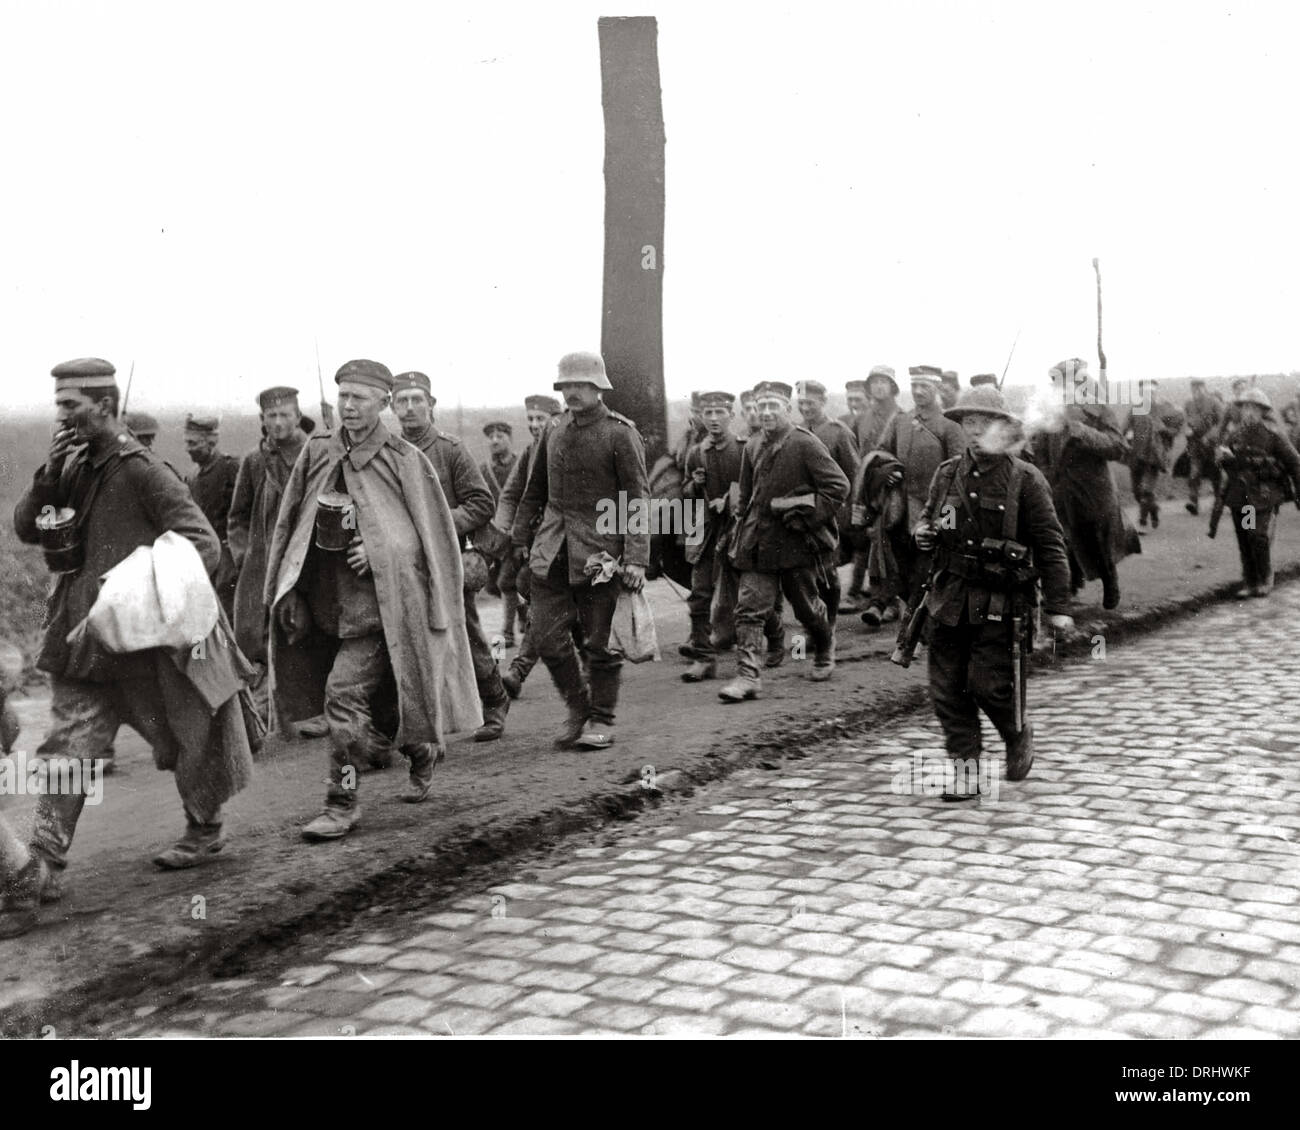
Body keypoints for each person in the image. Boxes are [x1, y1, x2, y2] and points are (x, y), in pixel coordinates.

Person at [4, 358, 257, 938]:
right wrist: (48, 474)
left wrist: (136, 592)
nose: (61, 415)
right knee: (69, 748)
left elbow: (203, 545)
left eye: (71, 406)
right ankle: (42, 864)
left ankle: (204, 824)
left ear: (103, 405)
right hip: (79, 640)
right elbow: (26, 527)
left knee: (181, 737)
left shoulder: (143, 470)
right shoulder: (69, 466)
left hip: (143, 647)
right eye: (58, 404)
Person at [264, 360, 481, 842]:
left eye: (359, 398)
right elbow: (290, 526)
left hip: (381, 610)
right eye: (342, 397)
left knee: (342, 700)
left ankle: (341, 804)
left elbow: (427, 538)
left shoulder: (405, 459)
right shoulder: (317, 451)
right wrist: (291, 591)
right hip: (327, 607)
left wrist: (378, 548)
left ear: (383, 404)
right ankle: (419, 746)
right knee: (383, 708)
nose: (347, 407)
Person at [913, 385, 1073, 801]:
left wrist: (1058, 607)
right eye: (968, 422)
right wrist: (924, 534)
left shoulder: (1026, 479)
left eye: (985, 422)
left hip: (1003, 602)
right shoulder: (947, 474)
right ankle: (967, 773)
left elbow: (1051, 544)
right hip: (949, 597)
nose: (975, 430)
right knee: (947, 690)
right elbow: (931, 518)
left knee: (987, 685)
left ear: (1004, 428)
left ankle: (1016, 731)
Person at [511, 351, 651, 749]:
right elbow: (533, 490)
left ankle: (602, 720)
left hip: (600, 554)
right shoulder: (553, 428)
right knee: (547, 638)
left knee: (599, 642)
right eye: (566, 386)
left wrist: (637, 559)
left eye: (580, 385)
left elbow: (637, 499)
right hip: (551, 548)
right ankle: (578, 707)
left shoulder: (620, 432)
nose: (572, 392)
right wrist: (520, 540)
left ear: (598, 387)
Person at [390, 372, 511, 742]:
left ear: (431, 405)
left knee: (466, 634)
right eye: (402, 401)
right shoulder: (388, 452)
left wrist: (437, 525)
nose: (410, 408)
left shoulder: (450, 449)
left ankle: (494, 702)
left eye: (417, 400)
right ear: (392, 407)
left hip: (446, 559)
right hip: (403, 562)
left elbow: (481, 503)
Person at [718, 380, 849, 702]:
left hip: (795, 543)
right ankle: (748, 676)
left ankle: (824, 644)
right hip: (758, 541)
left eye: (773, 406)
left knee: (807, 610)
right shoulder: (752, 445)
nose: (766, 413)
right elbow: (746, 495)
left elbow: (838, 486)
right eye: (761, 407)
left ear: (787, 410)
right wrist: (739, 527)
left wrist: (805, 514)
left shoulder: (804, 443)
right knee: (748, 609)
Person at [680, 391, 785, 681]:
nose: (713, 419)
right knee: (699, 594)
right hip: (707, 531)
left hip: (739, 528)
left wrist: (727, 500)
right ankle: (703, 658)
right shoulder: (696, 451)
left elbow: (755, 488)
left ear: (731, 416)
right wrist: (694, 485)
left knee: (748, 595)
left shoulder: (745, 448)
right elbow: (687, 490)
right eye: (708, 413)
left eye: (719, 413)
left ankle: (776, 635)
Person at [228, 386, 312, 727]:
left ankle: (307, 710)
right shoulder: (254, 460)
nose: (278, 422)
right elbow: (237, 516)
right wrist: (246, 557)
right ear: (263, 420)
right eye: (271, 416)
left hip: (305, 559)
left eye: (284, 415)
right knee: (257, 639)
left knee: (304, 632)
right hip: (261, 564)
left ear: (297, 416)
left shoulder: (314, 452)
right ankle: (261, 718)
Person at [1028, 358, 1132, 609]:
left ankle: (1109, 579)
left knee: (1095, 539)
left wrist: (1083, 432)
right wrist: (1043, 473)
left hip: (1092, 489)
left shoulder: (1098, 410)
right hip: (1058, 486)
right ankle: (1064, 593)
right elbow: (1039, 448)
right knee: (1059, 539)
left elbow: (1118, 447)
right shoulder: (1048, 412)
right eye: (1058, 382)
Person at [868, 365, 964, 625]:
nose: (919, 391)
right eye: (915, 386)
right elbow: (880, 454)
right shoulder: (900, 421)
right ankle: (915, 623)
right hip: (901, 509)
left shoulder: (950, 425)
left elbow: (959, 473)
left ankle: (928, 625)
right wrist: (887, 472)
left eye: (925, 386)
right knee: (902, 567)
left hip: (938, 508)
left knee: (934, 568)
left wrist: (947, 519)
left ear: (937, 388)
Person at [496, 394, 571, 698]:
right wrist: (508, 533)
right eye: (530, 419)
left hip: (582, 543)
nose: (535, 425)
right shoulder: (529, 454)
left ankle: (593, 667)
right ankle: (516, 670)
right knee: (543, 604)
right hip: (546, 543)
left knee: (572, 611)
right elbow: (513, 495)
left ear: (558, 418)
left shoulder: (574, 447)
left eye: (541, 419)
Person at [1213, 387, 1300, 598]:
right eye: (1245, 407)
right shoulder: (1235, 435)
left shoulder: (1273, 435)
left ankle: (1264, 578)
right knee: (1245, 537)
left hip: (1261, 495)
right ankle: (1250, 582)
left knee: (1256, 536)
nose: (1248, 412)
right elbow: (1223, 462)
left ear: (1263, 411)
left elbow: (1294, 463)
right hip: (1241, 494)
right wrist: (1223, 458)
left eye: (1254, 408)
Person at [796, 379, 859, 624]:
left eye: (810, 403)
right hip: (803, 513)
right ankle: (815, 625)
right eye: (801, 403)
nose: (805, 408)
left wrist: (851, 514)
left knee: (825, 572)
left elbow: (854, 475)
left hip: (832, 513)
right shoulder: (796, 431)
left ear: (823, 402)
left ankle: (827, 623)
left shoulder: (838, 432)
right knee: (804, 572)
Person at [183, 415, 240, 620]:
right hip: (203, 556)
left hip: (228, 556)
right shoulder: (191, 476)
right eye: (187, 442)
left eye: (193, 443)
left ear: (211, 442)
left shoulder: (230, 468)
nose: (188, 448)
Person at [1124, 380, 1184, 529]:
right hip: (1136, 455)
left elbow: (1177, 427)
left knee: (1146, 490)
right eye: (1144, 392)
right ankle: (1154, 508)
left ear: (1154, 393)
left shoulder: (1164, 409)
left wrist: (1165, 430)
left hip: (1154, 455)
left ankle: (1142, 522)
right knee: (1137, 492)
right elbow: (1123, 428)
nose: (1147, 395)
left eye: (1150, 392)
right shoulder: (1135, 409)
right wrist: (1125, 436)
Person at [1183, 377, 1222, 516]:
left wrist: (1209, 436)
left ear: (1204, 388)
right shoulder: (1188, 403)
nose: (1196, 390)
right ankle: (1193, 502)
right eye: (1193, 388)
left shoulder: (1214, 402)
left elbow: (1221, 423)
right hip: (1194, 443)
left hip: (1211, 444)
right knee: (1194, 473)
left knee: (1215, 473)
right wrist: (1187, 429)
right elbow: (1186, 420)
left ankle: (1219, 501)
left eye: (1199, 387)